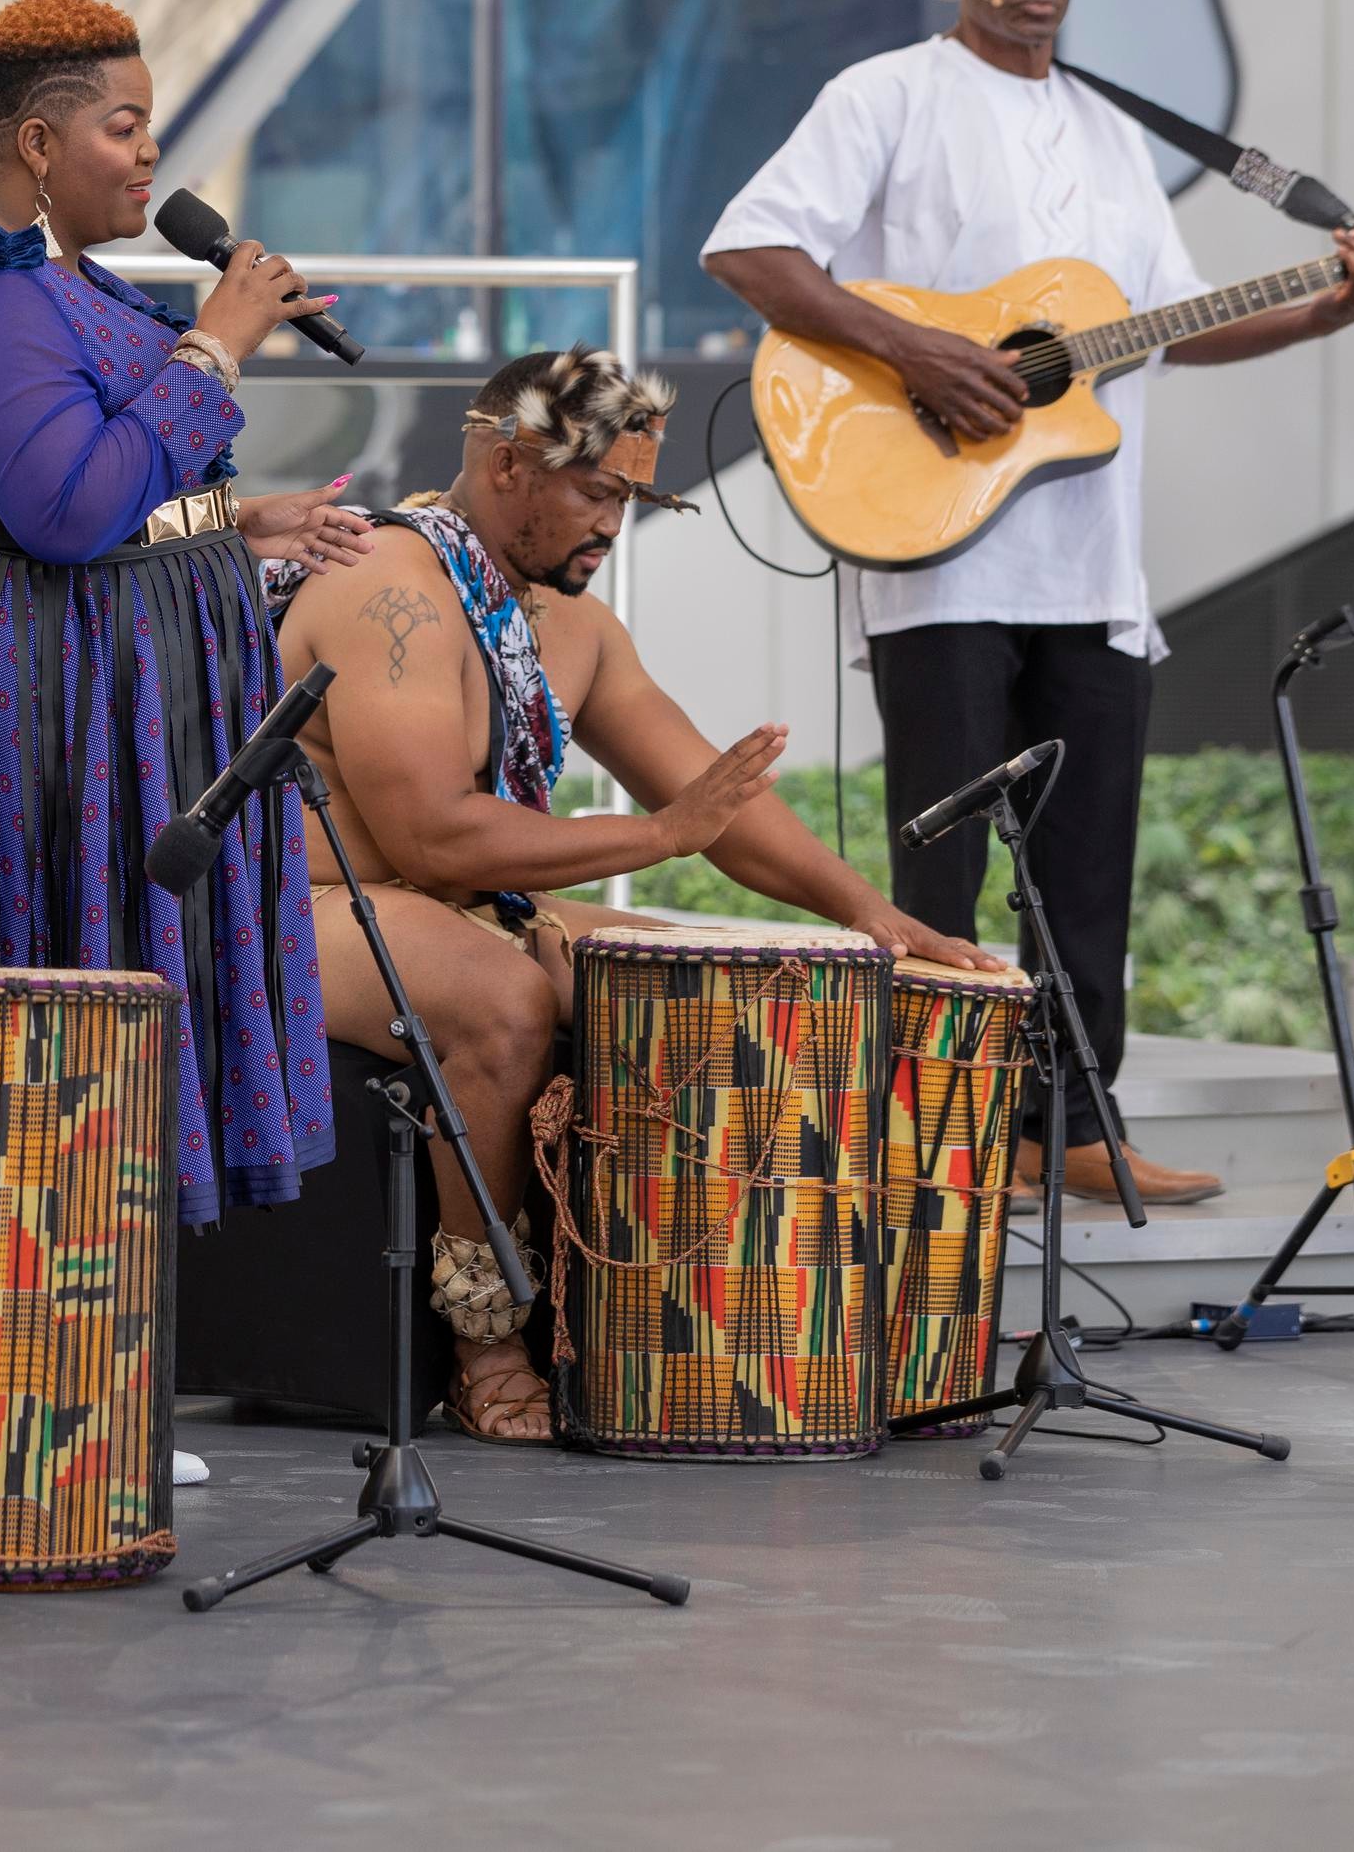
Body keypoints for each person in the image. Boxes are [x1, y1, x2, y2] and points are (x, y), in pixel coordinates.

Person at [702, 0, 1354, 1206]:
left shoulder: (1111, 132)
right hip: (937, 551)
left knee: (1086, 866)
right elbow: (752, 250)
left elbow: (1177, 321)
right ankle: (934, 1134)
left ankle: (1072, 1129)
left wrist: (1333, 309)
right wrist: (922, 349)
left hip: (1094, 566)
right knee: (947, 863)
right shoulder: (886, 97)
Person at [271, 345, 996, 1443]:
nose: (613, 522)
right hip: (300, 906)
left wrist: (866, 913)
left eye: (630, 496)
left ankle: (694, 1311)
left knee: (691, 972)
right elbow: (431, 830)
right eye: (596, 490)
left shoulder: (572, 626)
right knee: (503, 1001)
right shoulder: (385, 588)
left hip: (438, 900)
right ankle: (484, 1331)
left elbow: (716, 801)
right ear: (507, 462)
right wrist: (659, 834)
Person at [0, 0, 368, 1227]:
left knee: (108, 984)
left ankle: (106, 1367)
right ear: (35, 145)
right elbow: (62, 514)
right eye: (123, 129)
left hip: (101, 664)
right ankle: (58, 1357)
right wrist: (217, 347)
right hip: (54, 683)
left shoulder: (52, 271)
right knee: (67, 995)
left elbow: (110, 475)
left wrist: (227, 518)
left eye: (148, 127)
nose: (148, 155)